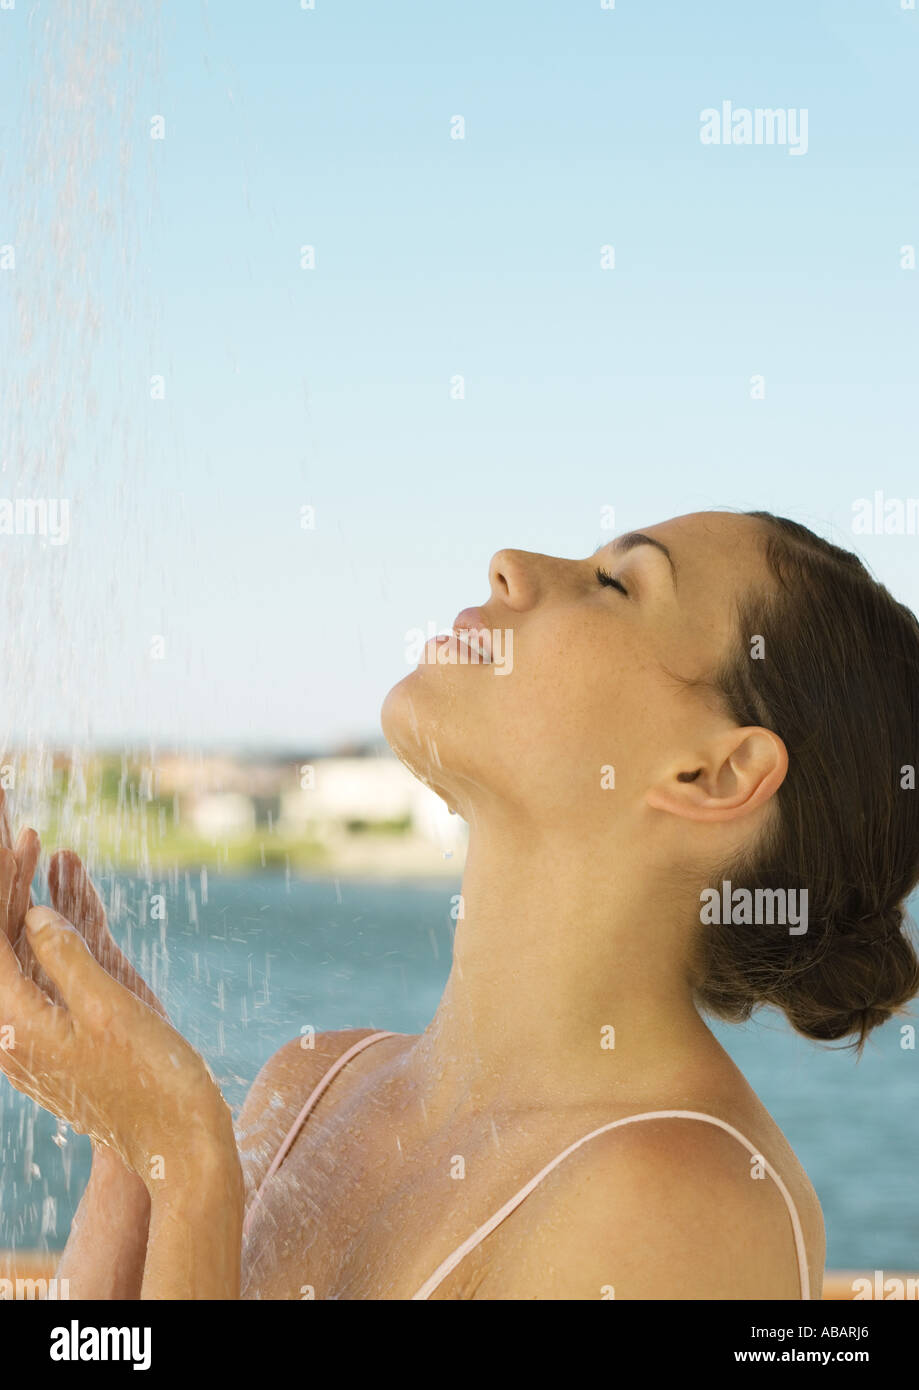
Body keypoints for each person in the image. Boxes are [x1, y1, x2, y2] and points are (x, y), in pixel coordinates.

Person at [1, 509, 917, 1299]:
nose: (511, 565)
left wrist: (189, 1160)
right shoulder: (314, 1083)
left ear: (715, 773)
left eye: (615, 585)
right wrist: (127, 1149)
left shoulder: (693, 1203)